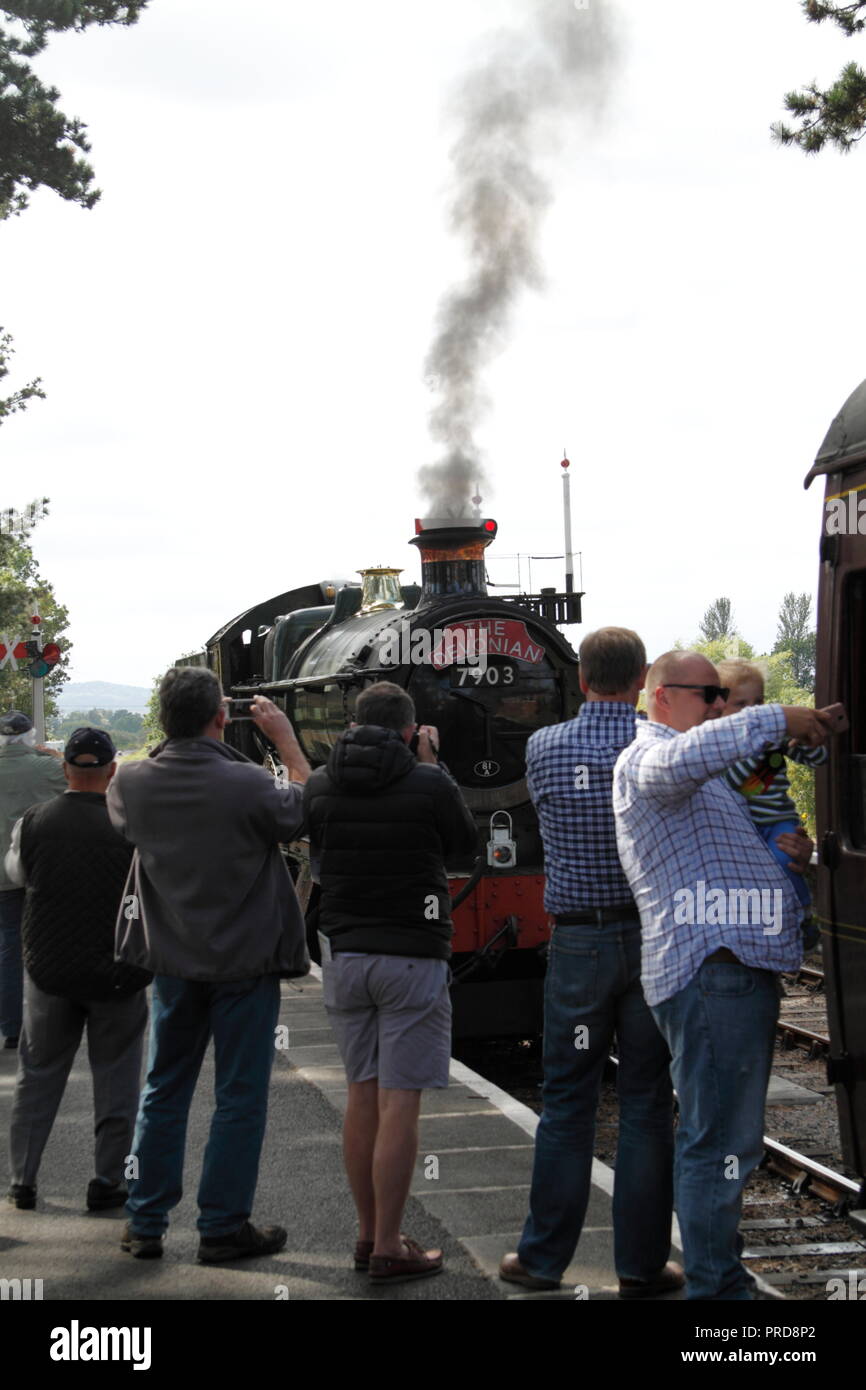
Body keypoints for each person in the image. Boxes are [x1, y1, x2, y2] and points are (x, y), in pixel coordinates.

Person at [612, 649, 829, 1301]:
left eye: (721, 697)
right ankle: (718, 1295)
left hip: (726, 974)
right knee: (718, 1142)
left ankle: (719, 1281)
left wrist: (795, 855)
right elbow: (684, 760)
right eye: (707, 695)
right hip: (714, 975)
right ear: (660, 698)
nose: (716, 707)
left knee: (722, 1137)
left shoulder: (701, 770)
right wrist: (775, 716)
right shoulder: (648, 756)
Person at [500, 628, 682, 1297]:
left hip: (578, 945)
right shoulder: (659, 749)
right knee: (644, 1103)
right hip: (652, 942)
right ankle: (641, 1265)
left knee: (568, 1102)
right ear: (640, 681)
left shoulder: (544, 746)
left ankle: (543, 1260)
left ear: (580, 679)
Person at [106, 667, 310, 1262]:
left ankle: (145, 1222)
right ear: (221, 718)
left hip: (171, 964)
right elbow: (303, 806)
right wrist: (289, 745)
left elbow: (125, 829)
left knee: (162, 1089)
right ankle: (221, 1227)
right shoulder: (249, 784)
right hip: (245, 963)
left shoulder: (131, 782)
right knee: (239, 1095)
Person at [303, 680, 477, 1284]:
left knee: (360, 1093)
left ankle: (364, 1233)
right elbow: (463, 847)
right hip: (413, 956)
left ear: (354, 722)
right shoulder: (428, 781)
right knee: (401, 1099)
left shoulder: (321, 782)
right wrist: (434, 764)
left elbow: (321, 856)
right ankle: (388, 1245)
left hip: (346, 955)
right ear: (409, 729)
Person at [4, 727, 151, 1211]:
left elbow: (17, 876)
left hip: (48, 971)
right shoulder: (131, 823)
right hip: (118, 970)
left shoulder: (34, 821)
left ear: (65, 768)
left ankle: (23, 1180)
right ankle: (107, 1180)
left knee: (39, 1074)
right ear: (112, 771)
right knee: (116, 1077)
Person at [717, 658, 825, 935]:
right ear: (719, 708)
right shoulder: (718, 744)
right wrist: (766, 752)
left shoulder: (775, 738)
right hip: (744, 827)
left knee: (783, 861)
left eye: (758, 702)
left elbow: (818, 760)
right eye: (741, 704)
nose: (752, 711)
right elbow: (735, 781)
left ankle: (803, 913)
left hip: (779, 822)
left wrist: (808, 740)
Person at [0, 711, 66, 1049]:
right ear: (30, 736)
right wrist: (55, 755)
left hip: (2, 876)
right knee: (47, 942)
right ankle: (51, 1020)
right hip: (40, 868)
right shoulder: (46, 767)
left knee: (8, 947)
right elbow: (82, 782)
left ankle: (12, 1027)